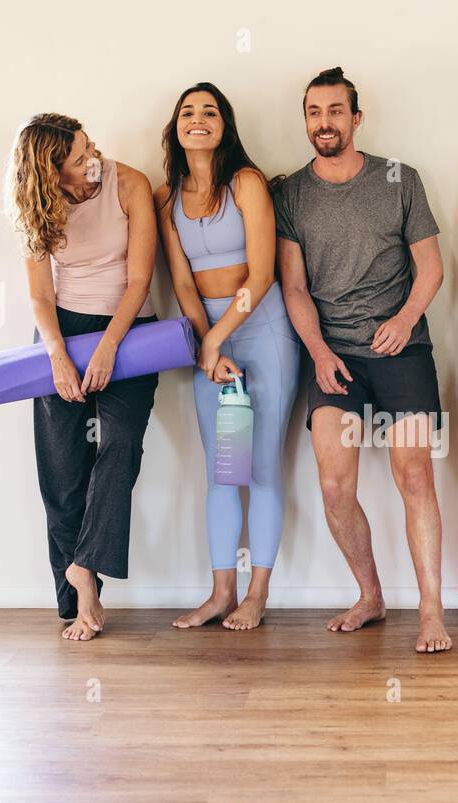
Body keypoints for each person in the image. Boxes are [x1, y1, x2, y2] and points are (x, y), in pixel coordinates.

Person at [274, 67, 451, 653]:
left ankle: (431, 611)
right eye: (314, 112)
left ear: (356, 117)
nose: (324, 122)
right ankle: (371, 596)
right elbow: (294, 288)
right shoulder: (291, 194)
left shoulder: (400, 179)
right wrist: (319, 351)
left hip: (403, 352)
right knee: (333, 485)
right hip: (335, 358)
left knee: (414, 473)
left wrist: (403, 320)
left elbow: (432, 268)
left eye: (334, 111)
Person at [5, 114, 160, 641]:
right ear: (52, 173)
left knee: (120, 447)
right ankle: (77, 602)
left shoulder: (129, 183)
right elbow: (40, 294)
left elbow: (140, 279)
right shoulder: (35, 204)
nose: (93, 158)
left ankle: (85, 566)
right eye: (79, 156)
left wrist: (109, 346)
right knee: (62, 471)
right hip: (62, 333)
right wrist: (56, 355)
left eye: (90, 145)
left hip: (129, 331)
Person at [155, 83, 300, 631]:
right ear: (176, 128)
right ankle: (221, 594)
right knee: (222, 471)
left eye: (209, 111)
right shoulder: (166, 199)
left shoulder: (246, 183)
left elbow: (261, 275)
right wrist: (206, 344)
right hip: (209, 342)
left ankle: (257, 594)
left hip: (263, 331)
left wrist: (217, 338)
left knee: (260, 468)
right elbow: (183, 283)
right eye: (188, 112)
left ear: (224, 125)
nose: (198, 119)